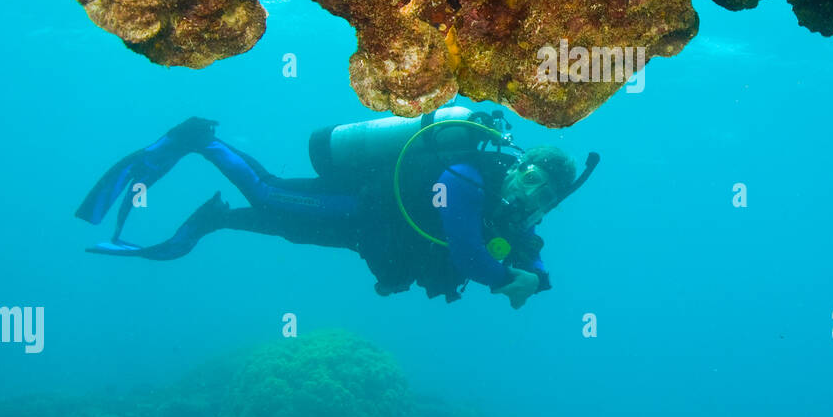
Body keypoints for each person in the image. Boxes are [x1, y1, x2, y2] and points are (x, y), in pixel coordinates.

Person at [74, 107, 597, 308]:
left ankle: (215, 218)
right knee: (270, 194)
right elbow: (464, 250)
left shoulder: (514, 213)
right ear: (519, 163)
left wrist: (538, 278)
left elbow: (532, 250)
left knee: (287, 230)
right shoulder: (467, 174)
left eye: (545, 195)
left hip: (367, 234)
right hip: (356, 204)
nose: (532, 195)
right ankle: (198, 140)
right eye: (531, 178)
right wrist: (509, 280)